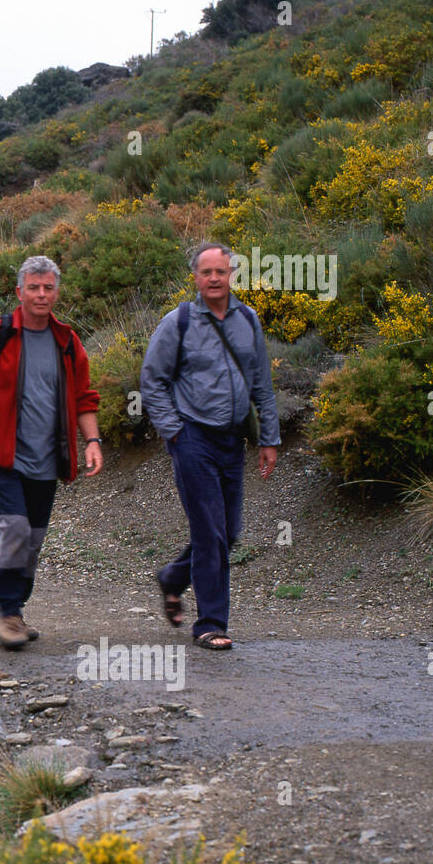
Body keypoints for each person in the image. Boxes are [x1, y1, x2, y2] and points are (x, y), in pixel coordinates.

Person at [0, 256, 103, 649]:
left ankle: (16, 606)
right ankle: (6, 611)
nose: (42, 294)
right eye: (34, 287)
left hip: (48, 458)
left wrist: (93, 441)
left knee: (33, 537)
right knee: (13, 528)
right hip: (2, 454)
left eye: (48, 287)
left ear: (56, 292)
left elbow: (84, 397)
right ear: (19, 292)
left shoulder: (67, 342)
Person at [139, 242, 280, 650]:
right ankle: (210, 624)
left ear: (232, 273)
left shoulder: (248, 320)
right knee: (210, 533)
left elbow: (262, 386)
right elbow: (153, 380)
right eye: (206, 273)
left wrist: (268, 438)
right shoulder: (178, 322)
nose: (214, 279)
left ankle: (173, 578)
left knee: (229, 532)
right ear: (196, 278)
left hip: (232, 440)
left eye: (221, 271)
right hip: (193, 438)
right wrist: (174, 432)